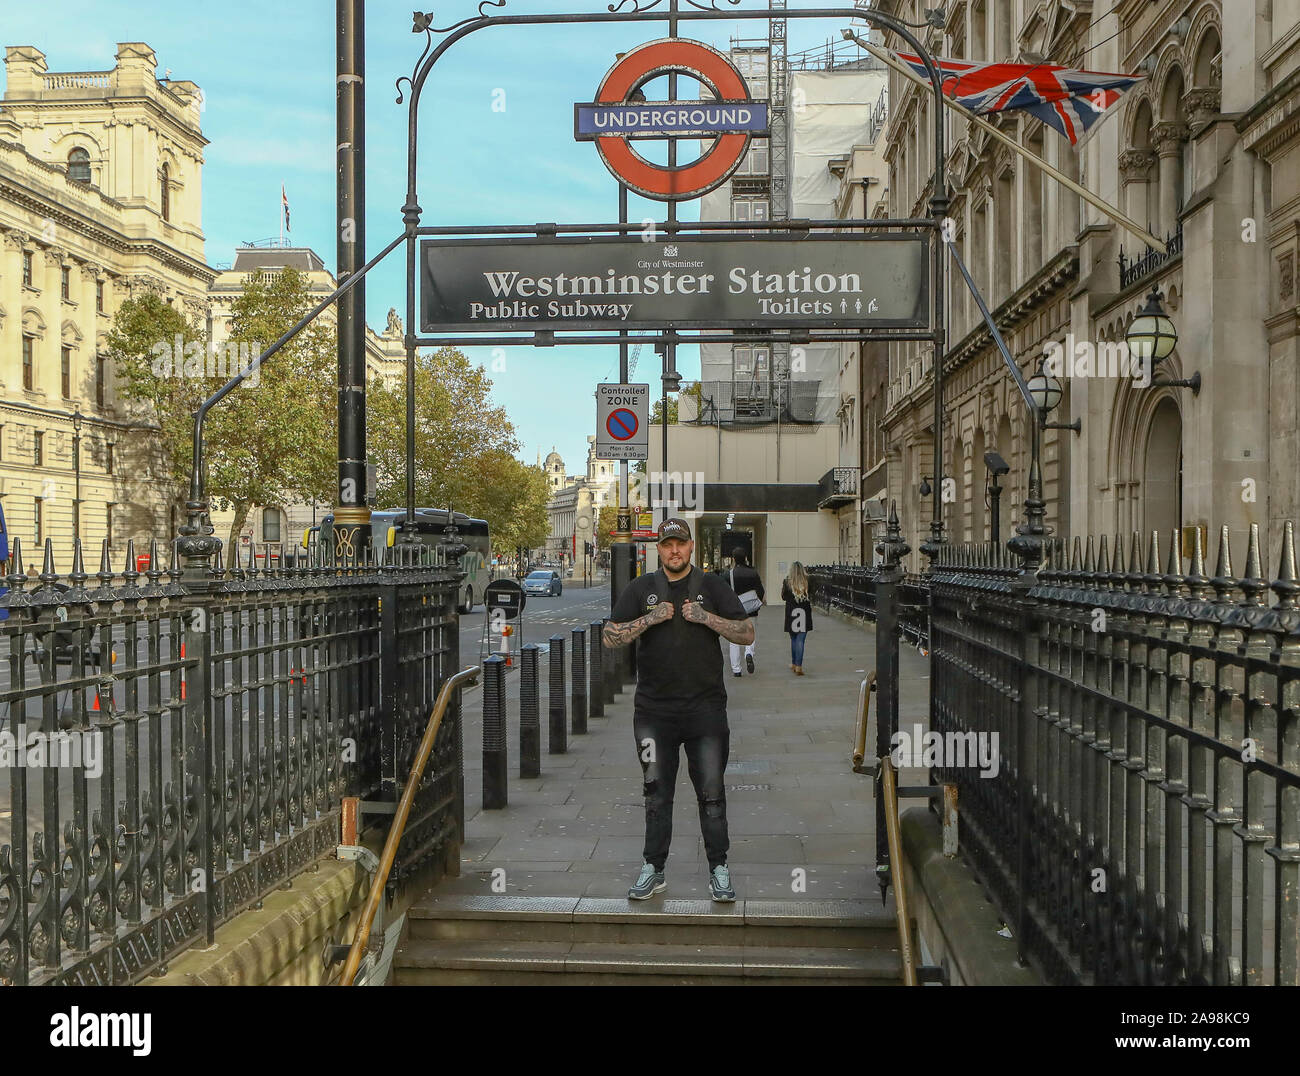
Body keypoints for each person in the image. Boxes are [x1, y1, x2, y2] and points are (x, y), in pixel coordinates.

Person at [603, 518, 754, 903]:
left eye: (681, 545)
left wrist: (706, 617)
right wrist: (649, 619)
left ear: (690, 548)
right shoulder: (641, 589)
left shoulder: (712, 586)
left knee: (712, 792)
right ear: (659, 549)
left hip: (705, 711)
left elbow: (746, 632)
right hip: (654, 713)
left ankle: (718, 868)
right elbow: (610, 636)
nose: (674, 551)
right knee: (656, 792)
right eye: (667, 544)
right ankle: (653, 869)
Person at [725, 552, 764, 676]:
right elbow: (761, 591)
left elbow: (723, 592)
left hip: (734, 611)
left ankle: (736, 669)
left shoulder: (729, 574)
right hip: (751, 611)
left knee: (734, 640)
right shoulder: (753, 573)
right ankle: (749, 653)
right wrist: (757, 602)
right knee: (751, 634)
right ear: (745, 558)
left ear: (734, 559)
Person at [781, 561, 814, 675]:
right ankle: (799, 666)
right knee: (801, 640)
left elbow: (783, 596)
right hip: (804, 612)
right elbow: (812, 593)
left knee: (794, 639)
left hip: (792, 612)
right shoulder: (808, 581)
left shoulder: (787, 581)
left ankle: (794, 663)